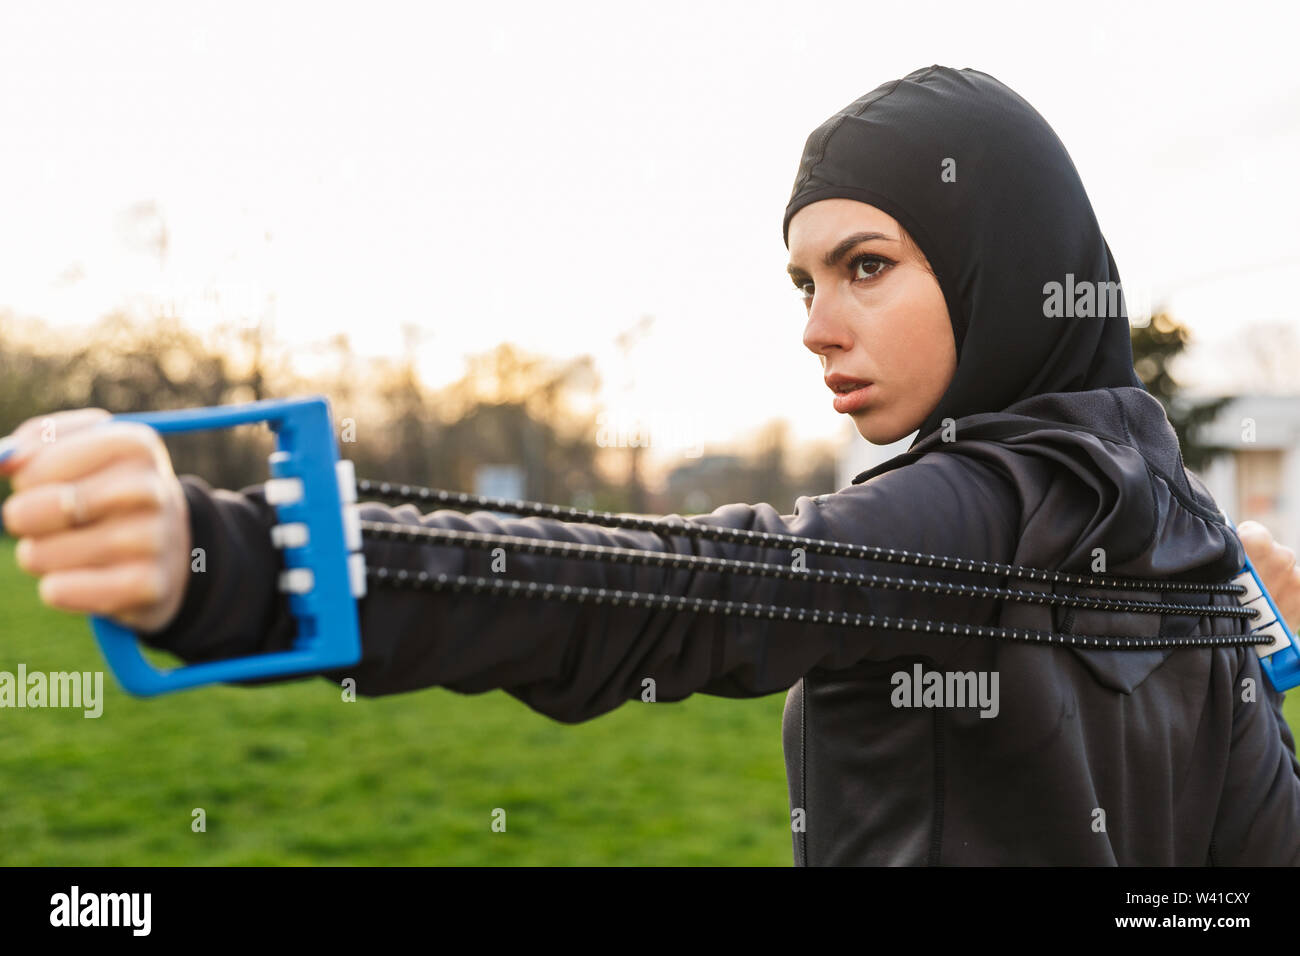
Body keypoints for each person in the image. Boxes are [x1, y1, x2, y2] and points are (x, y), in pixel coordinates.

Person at [4, 65, 1300, 865]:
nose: (816, 327)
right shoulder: (1185, 533)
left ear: (1004, 259)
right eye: (802, 281)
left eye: (867, 267)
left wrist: (238, 561)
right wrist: (1257, 678)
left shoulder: (969, 508)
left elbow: (668, 593)